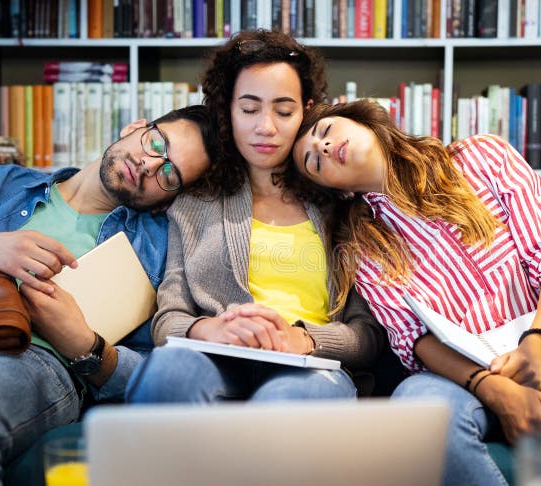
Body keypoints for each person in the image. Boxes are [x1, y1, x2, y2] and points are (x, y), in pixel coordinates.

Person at [288, 100, 541, 486]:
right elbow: (414, 337)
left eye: (326, 131)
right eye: (314, 162)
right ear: (337, 191)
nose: (324, 147)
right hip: (460, 380)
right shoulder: (360, 248)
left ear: (361, 120)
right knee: (420, 412)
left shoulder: (484, 157)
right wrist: (497, 392)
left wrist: (538, 345)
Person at [126, 30, 388, 406]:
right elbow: (168, 319)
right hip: (217, 360)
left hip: (311, 370)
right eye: (249, 109)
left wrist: (304, 339)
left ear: (306, 109)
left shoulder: (342, 205)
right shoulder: (193, 204)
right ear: (228, 111)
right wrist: (208, 330)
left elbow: (369, 335)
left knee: (286, 400)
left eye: (284, 111)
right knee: (168, 372)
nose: (266, 127)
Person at [0, 104, 218, 485]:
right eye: (157, 144)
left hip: (38, 362)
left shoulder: (157, 251)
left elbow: (154, 374)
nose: (150, 165)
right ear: (135, 127)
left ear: (169, 199)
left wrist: (86, 345)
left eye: (170, 174)